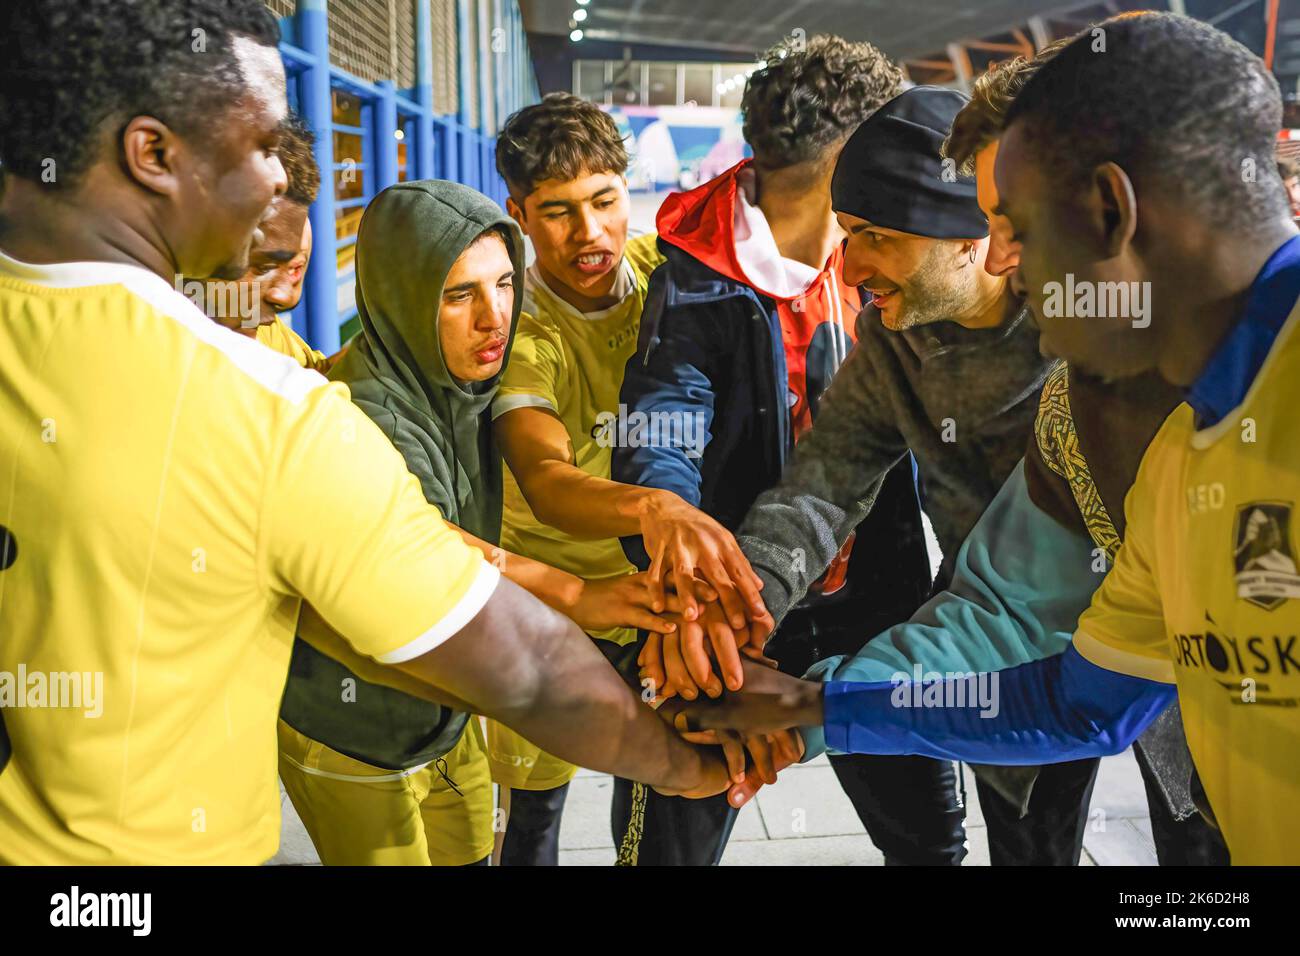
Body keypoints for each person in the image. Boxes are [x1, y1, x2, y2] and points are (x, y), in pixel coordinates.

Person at [0, 0, 726, 865]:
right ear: (153, 154)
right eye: (264, 144)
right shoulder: (270, 410)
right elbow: (525, 668)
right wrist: (698, 761)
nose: (282, 180)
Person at [675, 11, 1300, 866]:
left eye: (1016, 224)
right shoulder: (1124, 441)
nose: (1003, 257)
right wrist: (805, 703)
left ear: (1110, 209)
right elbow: (1070, 688)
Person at [276, 179, 682, 866]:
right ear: (406, 299)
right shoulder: (375, 414)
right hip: (353, 730)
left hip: (446, 716)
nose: (495, 317)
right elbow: (434, 549)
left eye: (502, 285)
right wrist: (579, 596)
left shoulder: (461, 380)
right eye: (459, 295)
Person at [614, 35, 933, 866]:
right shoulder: (698, 268)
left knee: (932, 843)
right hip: (729, 615)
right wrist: (675, 535)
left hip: (874, 609)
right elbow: (665, 415)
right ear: (846, 159)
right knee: (665, 849)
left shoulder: (899, 255)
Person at [488, 92, 762, 864]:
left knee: (652, 795)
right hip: (547, 600)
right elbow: (544, 476)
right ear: (518, 213)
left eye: (605, 201)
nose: (589, 233)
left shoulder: (664, 276)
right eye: (556, 212)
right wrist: (656, 508)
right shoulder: (519, 328)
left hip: (651, 599)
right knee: (534, 816)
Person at [200, 113, 333, 371]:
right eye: (263, 267)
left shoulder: (248, 325)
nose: (286, 297)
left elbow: (317, 374)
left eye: (295, 268)